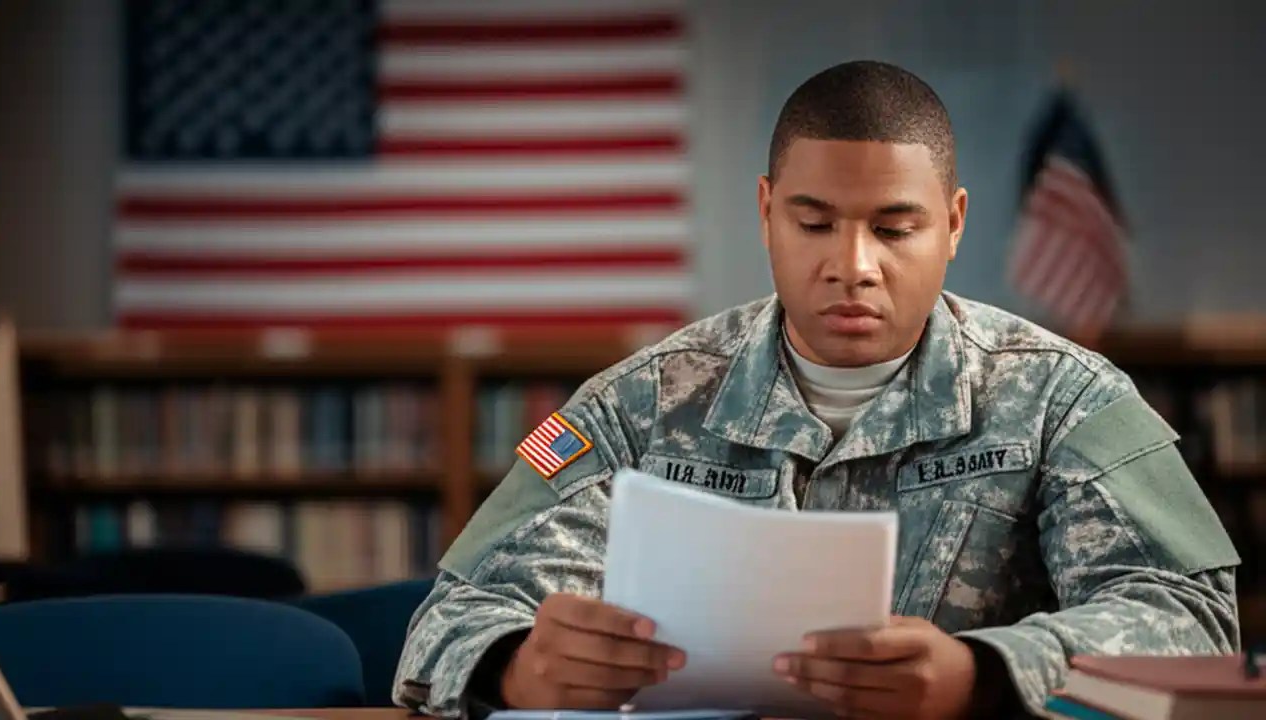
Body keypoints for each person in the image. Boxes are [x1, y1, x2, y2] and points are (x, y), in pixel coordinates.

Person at [393, 60, 1240, 719]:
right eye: (814, 223)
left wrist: (983, 674)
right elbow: (451, 615)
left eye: (894, 228)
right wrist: (514, 664)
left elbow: (1192, 622)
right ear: (765, 212)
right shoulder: (639, 405)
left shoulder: (1064, 398)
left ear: (953, 224)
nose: (853, 265)